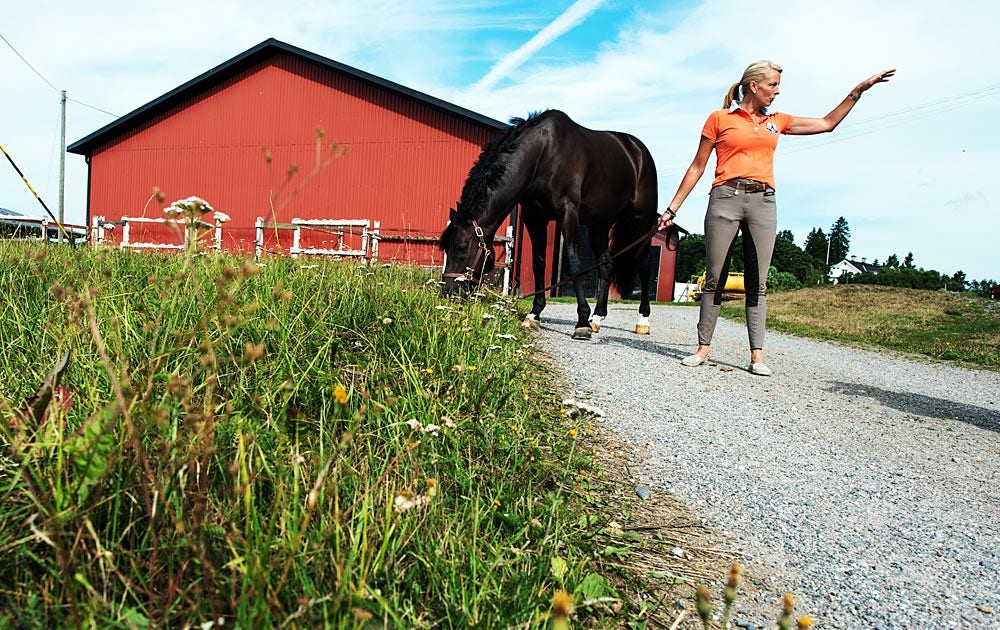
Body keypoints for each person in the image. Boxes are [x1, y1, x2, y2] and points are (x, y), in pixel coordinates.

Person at [658, 61, 894, 376]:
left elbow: (826, 123)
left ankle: (757, 356)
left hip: (763, 203)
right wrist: (673, 208)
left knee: (759, 282)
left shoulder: (777, 121)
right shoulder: (719, 118)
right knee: (715, 278)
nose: (777, 91)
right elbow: (697, 166)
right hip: (725, 199)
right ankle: (703, 348)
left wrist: (857, 92)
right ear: (754, 85)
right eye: (773, 85)